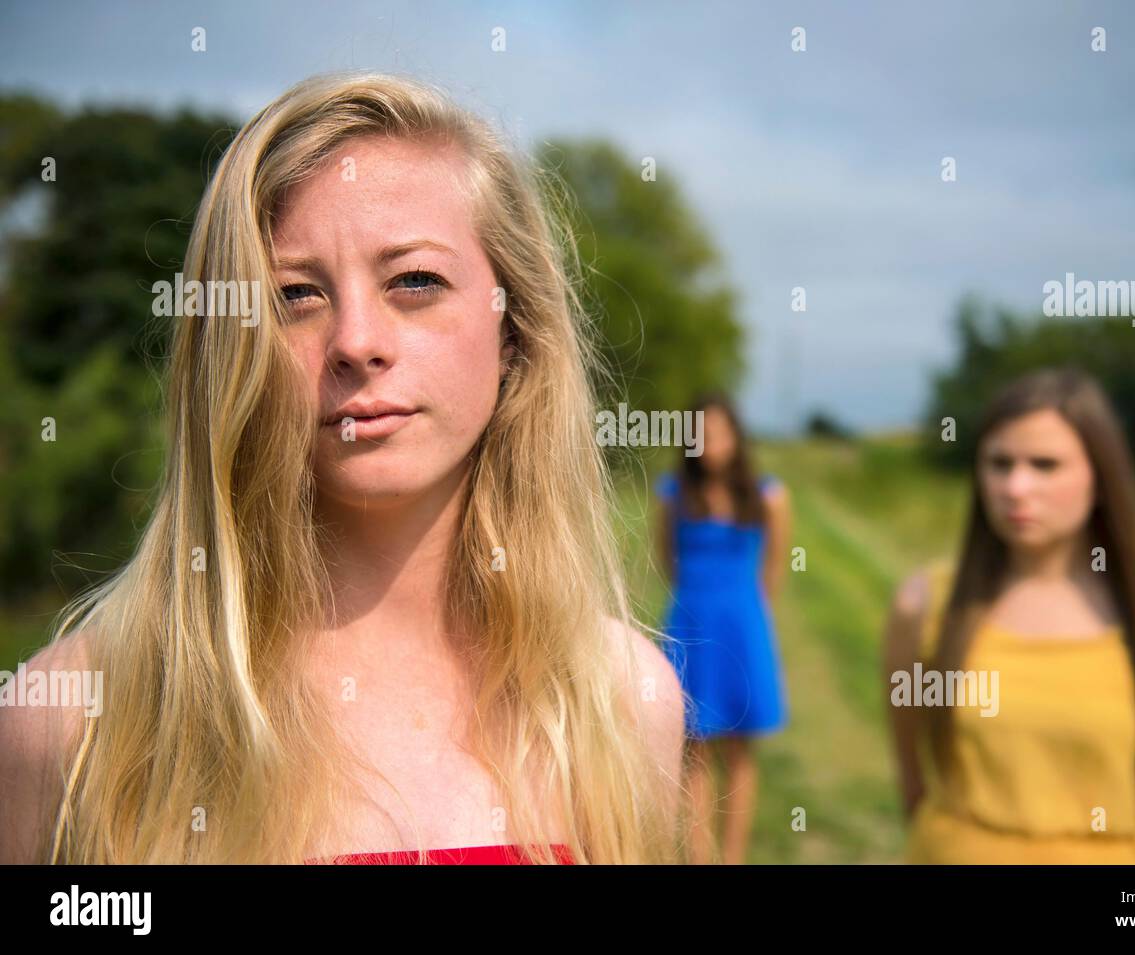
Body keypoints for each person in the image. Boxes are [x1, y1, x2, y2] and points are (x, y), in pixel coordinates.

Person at [0, 71, 685, 865]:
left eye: (415, 281)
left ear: (514, 329)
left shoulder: (620, 701)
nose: (357, 340)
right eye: (295, 295)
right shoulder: (73, 721)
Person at [883, 367, 1135, 864]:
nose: (1016, 487)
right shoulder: (925, 606)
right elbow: (914, 783)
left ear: (1101, 478)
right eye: (999, 463)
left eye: (1045, 465)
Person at [654, 392, 791, 864]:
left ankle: (732, 858)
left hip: (743, 628)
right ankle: (699, 856)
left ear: (737, 436)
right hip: (690, 625)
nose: (711, 444)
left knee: (739, 751)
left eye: (720, 433)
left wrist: (749, 612)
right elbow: (665, 560)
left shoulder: (768, 496)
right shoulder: (672, 495)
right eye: (702, 434)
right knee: (693, 750)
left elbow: (773, 569)